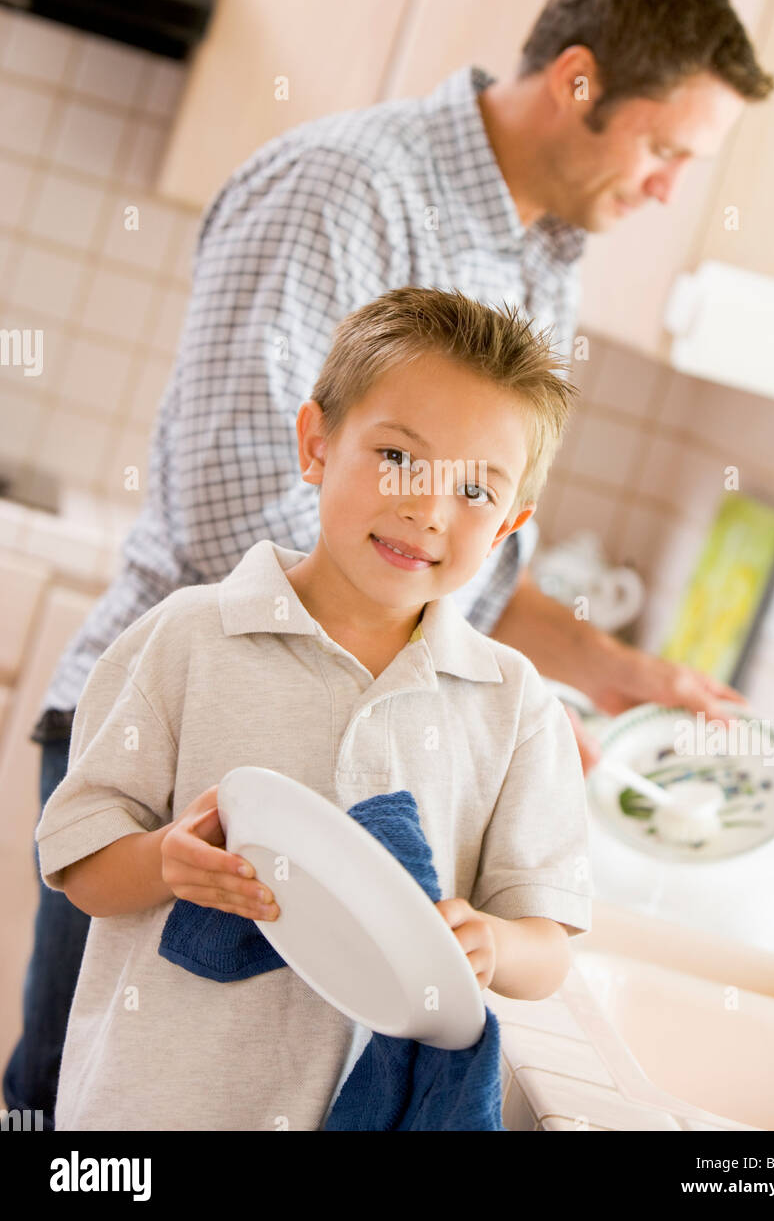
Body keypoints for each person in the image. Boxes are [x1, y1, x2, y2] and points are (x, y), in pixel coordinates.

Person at [5, 0, 769, 1126]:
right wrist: (445, 695)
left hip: (355, 799)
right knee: (74, 1103)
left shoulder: (540, 257)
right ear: (577, 83)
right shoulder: (346, 187)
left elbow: (457, 552)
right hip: (187, 750)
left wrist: (608, 678)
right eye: (666, 147)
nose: (670, 188)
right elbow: (237, 504)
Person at [36, 288, 592, 1131]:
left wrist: (496, 943)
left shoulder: (514, 709)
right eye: (400, 458)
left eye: (476, 492)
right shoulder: (192, 637)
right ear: (316, 444)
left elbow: (546, 947)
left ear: (511, 523)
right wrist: (164, 861)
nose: (428, 509)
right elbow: (78, 857)